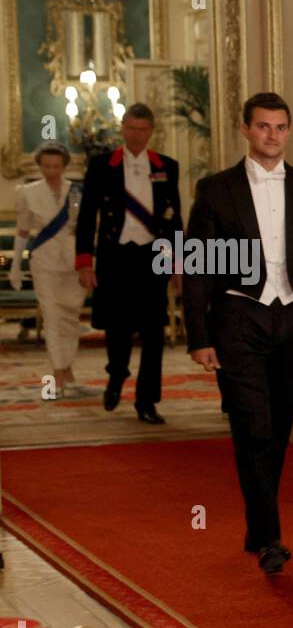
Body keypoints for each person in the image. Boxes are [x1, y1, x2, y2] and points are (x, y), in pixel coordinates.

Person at [184, 92, 293, 575]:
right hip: (238, 318)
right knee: (252, 424)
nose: (272, 135)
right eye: (263, 127)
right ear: (245, 129)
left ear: (288, 131)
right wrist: (200, 336)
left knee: (277, 425)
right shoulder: (216, 189)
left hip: (292, 319)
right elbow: (197, 268)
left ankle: (258, 524)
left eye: (280, 127)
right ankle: (270, 537)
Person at [74, 103, 183, 423]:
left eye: (143, 130)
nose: (137, 135)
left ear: (151, 132)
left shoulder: (167, 166)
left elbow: (174, 218)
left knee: (154, 333)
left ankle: (147, 402)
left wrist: (178, 264)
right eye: (131, 129)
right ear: (123, 128)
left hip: (152, 258)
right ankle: (117, 373)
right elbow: (87, 217)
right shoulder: (101, 165)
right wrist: (84, 261)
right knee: (118, 329)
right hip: (115, 256)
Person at [8, 143, 86, 397]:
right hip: (44, 260)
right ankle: (58, 370)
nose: (51, 171)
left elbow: (85, 230)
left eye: (56, 166)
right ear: (40, 166)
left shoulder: (77, 192)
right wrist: (16, 265)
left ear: (64, 166)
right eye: (47, 166)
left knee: (70, 315)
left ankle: (67, 362)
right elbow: (22, 232)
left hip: (73, 260)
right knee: (52, 316)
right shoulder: (27, 192)